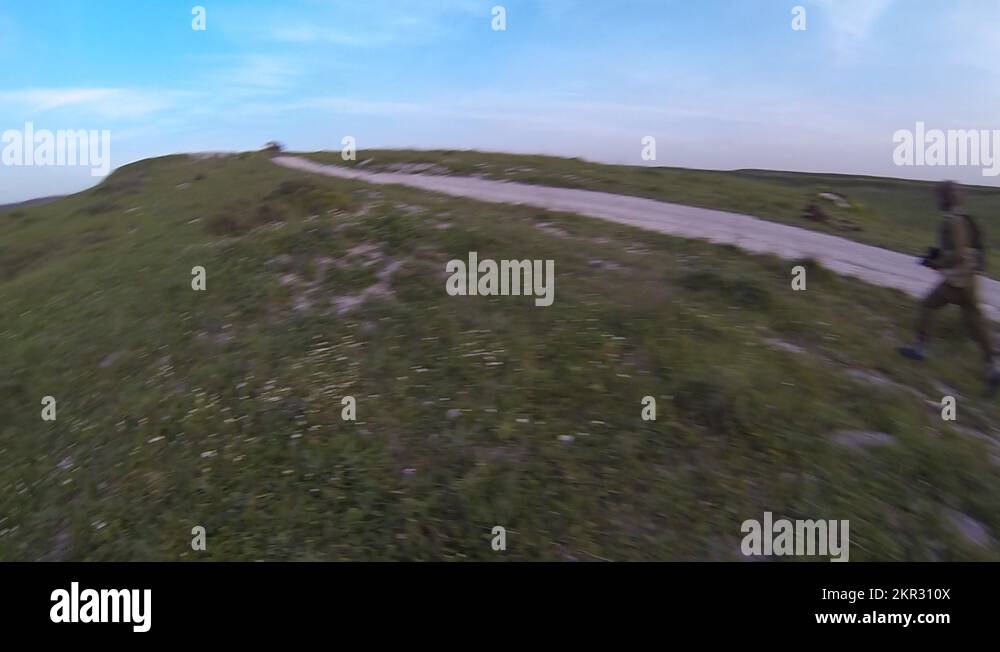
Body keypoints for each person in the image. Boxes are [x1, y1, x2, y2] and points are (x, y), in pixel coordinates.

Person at [899, 181, 1000, 393]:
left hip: (957, 280)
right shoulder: (963, 218)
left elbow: (958, 253)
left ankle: (921, 348)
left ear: (945, 198)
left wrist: (936, 263)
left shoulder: (951, 221)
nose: (936, 200)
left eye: (938, 196)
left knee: (928, 305)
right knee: (974, 323)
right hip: (970, 278)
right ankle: (993, 365)